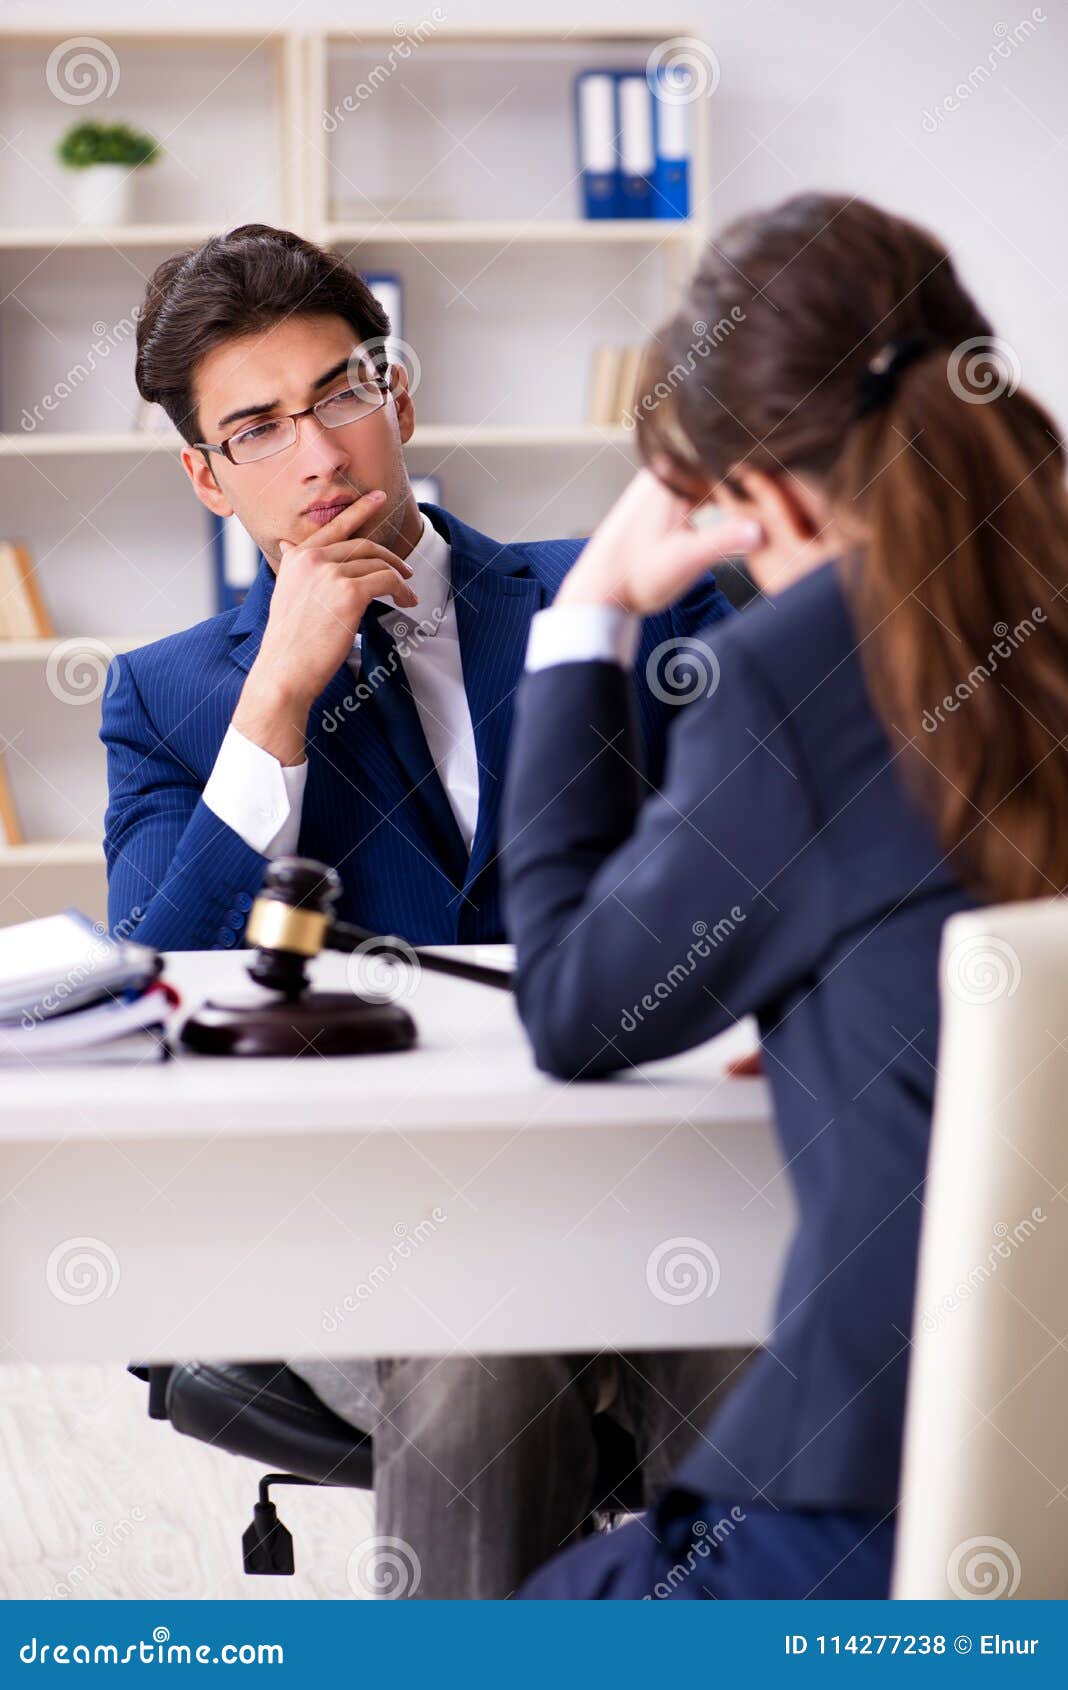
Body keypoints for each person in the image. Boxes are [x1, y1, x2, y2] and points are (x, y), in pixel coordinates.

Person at [101, 222, 757, 1598]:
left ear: (397, 391)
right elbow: (155, 998)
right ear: (206, 477)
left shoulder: (621, 597)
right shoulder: (166, 700)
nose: (321, 456)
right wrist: (277, 697)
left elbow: (758, 867)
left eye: (340, 393)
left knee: (745, 1327)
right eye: (260, 429)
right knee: (476, 1322)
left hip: (639, 1183)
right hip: (347, 1222)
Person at [500, 191, 1068, 1599]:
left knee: (524, 1620)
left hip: (879, 1510)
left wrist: (593, 611)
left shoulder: (803, 674)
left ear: (767, 495)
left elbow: (575, 1002)